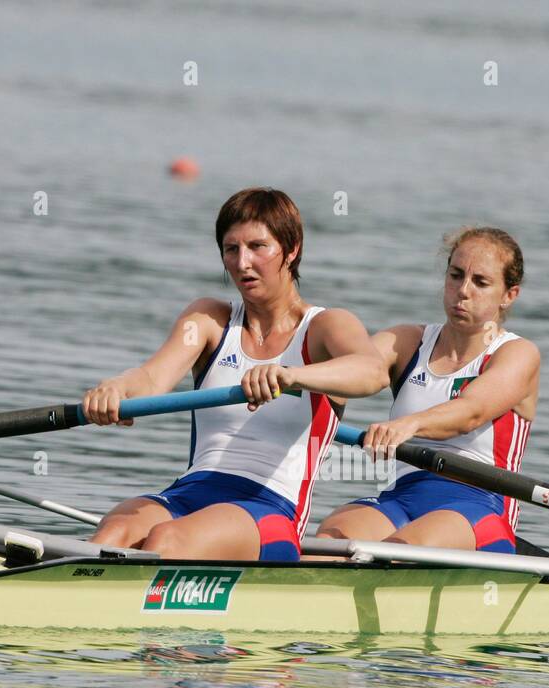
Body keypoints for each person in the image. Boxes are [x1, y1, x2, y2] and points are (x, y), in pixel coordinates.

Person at [82, 188, 386, 560]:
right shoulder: (210, 319)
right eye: (231, 249)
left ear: (291, 250)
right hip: (189, 492)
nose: (242, 263)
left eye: (258, 247)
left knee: (168, 540)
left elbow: (372, 373)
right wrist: (116, 387)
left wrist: (292, 376)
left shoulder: (325, 327)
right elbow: (149, 380)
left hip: (268, 509)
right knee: (113, 533)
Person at [316, 227, 538, 554]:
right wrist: (291, 378)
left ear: (509, 295)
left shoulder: (517, 354)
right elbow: (359, 368)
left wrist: (411, 424)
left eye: (481, 282)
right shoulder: (407, 341)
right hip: (400, 498)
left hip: (479, 508)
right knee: (327, 545)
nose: (463, 291)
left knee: (398, 552)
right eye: (456, 275)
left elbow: (471, 411)